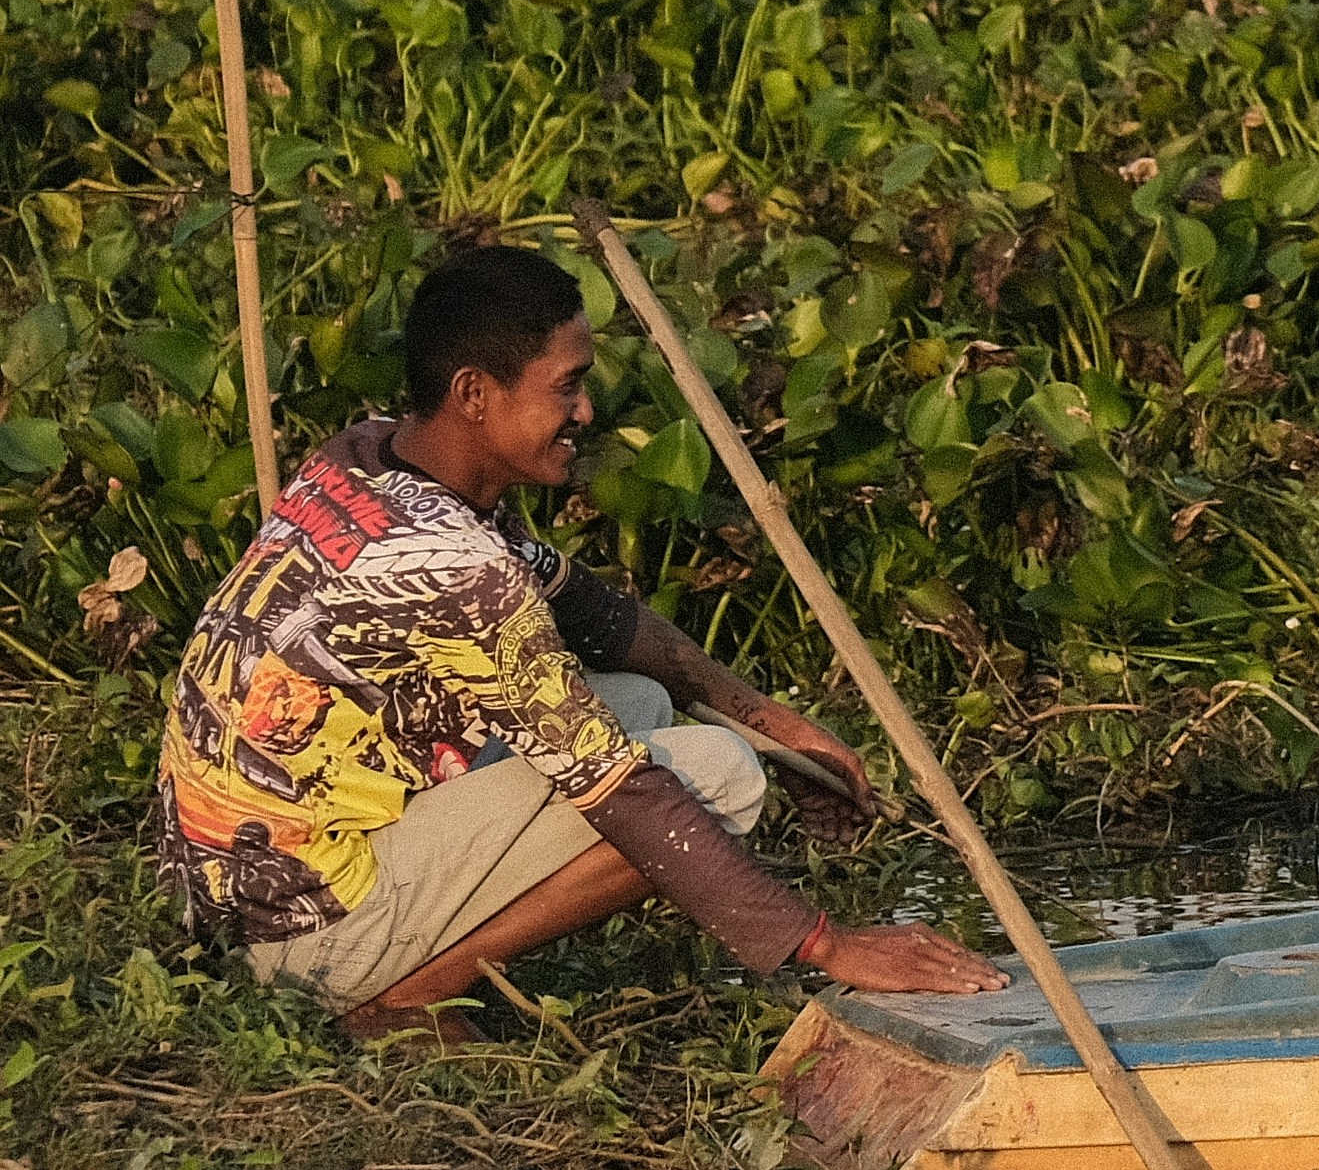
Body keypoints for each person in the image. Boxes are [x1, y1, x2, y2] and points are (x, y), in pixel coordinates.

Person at [160, 239, 1006, 1039]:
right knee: (713, 777)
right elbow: (618, 789)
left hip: (227, 884)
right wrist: (825, 943)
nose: (586, 410)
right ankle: (399, 999)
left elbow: (592, 612)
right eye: (565, 386)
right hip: (295, 931)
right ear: (473, 394)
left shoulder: (367, 453)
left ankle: (395, 970)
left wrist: (773, 720)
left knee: (641, 701)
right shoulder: (461, 573)